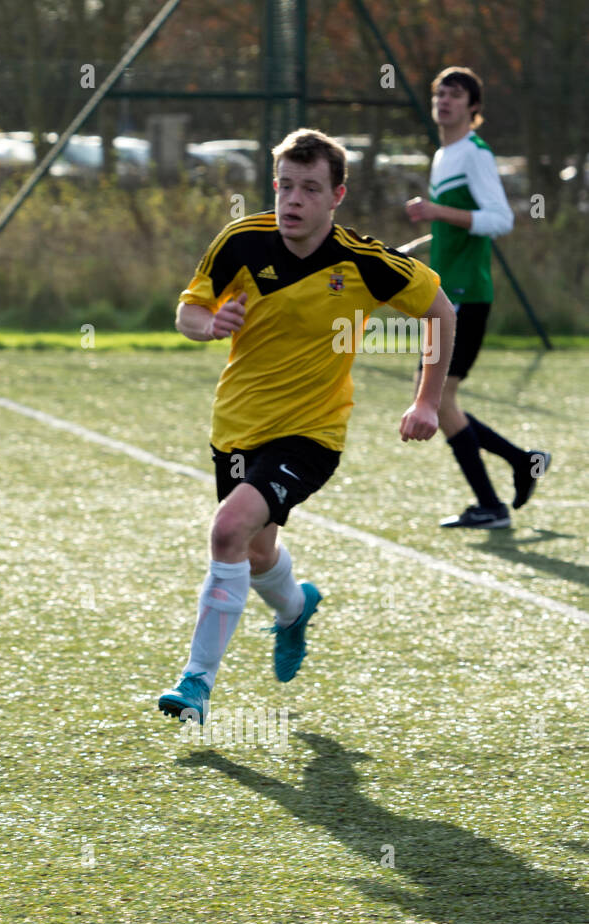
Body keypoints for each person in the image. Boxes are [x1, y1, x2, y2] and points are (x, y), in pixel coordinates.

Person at [158, 128, 455, 724]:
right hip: (237, 426)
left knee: (227, 531)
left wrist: (427, 401)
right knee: (257, 550)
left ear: (336, 195)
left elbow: (441, 312)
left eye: (310, 188)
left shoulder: (365, 262)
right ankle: (295, 609)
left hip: (313, 434)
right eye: (285, 186)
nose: (293, 200)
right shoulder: (241, 241)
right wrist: (210, 323)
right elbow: (188, 312)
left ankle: (195, 683)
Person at [405, 65, 549, 529]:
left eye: (455, 94)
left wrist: (436, 211)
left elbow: (500, 219)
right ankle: (512, 473)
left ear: (473, 107)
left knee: (437, 398)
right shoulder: (445, 154)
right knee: (435, 398)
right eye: (439, 93)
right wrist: (415, 245)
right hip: (444, 293)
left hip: (465, 294)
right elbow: (453, 226)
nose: (444, 100)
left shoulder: (475, 154)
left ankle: (495, 498)